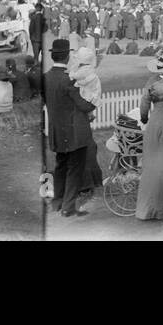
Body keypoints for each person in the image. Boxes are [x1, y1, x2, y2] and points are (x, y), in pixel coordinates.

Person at [44, 38, 97, 217]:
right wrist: (93, 104)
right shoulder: (68, 80)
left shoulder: (46, 78)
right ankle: (68, 207)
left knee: (60, 165)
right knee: (75, 169)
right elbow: (83, 105)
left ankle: (57, 202)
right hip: (74, 132)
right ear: (67, 57)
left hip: (56, 130)